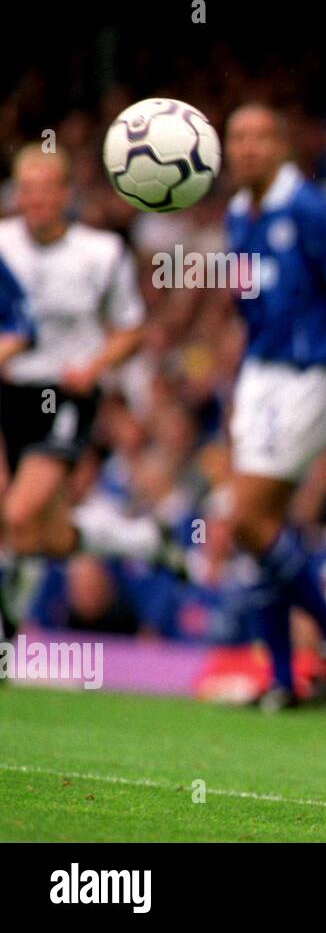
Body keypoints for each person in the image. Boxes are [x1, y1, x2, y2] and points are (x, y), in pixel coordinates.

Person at [223, 104, 326, 710]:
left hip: (310, 376)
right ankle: (288, 679)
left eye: (260, 137)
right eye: (237, 138)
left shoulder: (311, 209)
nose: (247, 149)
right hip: (260, 375)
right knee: (256, 530)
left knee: (248, 522)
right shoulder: (240, 213)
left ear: (282, 145)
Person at [0, 145, 184, 641]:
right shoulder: (2, 244)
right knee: (48, 535)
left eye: (46, 190)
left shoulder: (100, 253)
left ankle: (5, 640)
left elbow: (130, 329)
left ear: (65, 195)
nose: (36, 201)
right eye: (27, 191)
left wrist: (95, 365)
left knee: (16, 513)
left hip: (64, 396)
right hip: (8, 392)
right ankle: (138, 539)